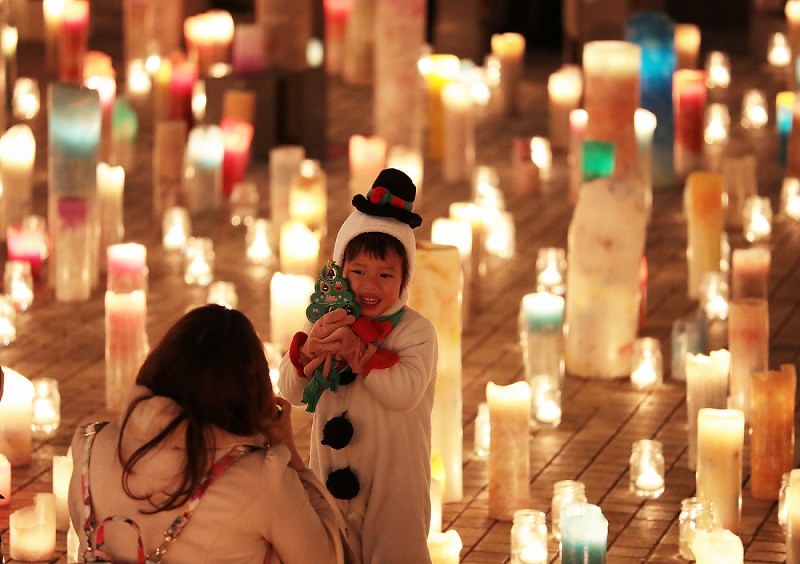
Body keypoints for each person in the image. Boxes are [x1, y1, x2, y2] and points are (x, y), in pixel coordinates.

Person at [68, 304, 354, 563]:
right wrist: (288, 452)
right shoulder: (262, 479)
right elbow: (327, 557)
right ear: (247, 390)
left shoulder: (90, 446)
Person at [279, 168, 438, 563]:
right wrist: (308, 353)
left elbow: (402, 394)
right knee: (332, 552)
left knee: (397, 553)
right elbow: (291, 392)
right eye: (358, 272)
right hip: (331, 473)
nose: (370, 286)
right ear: (339, 270)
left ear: (404, 280)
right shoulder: (325, 321)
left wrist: (360, 355)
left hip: (394, 478)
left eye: (386, 275)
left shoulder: (416, 332)